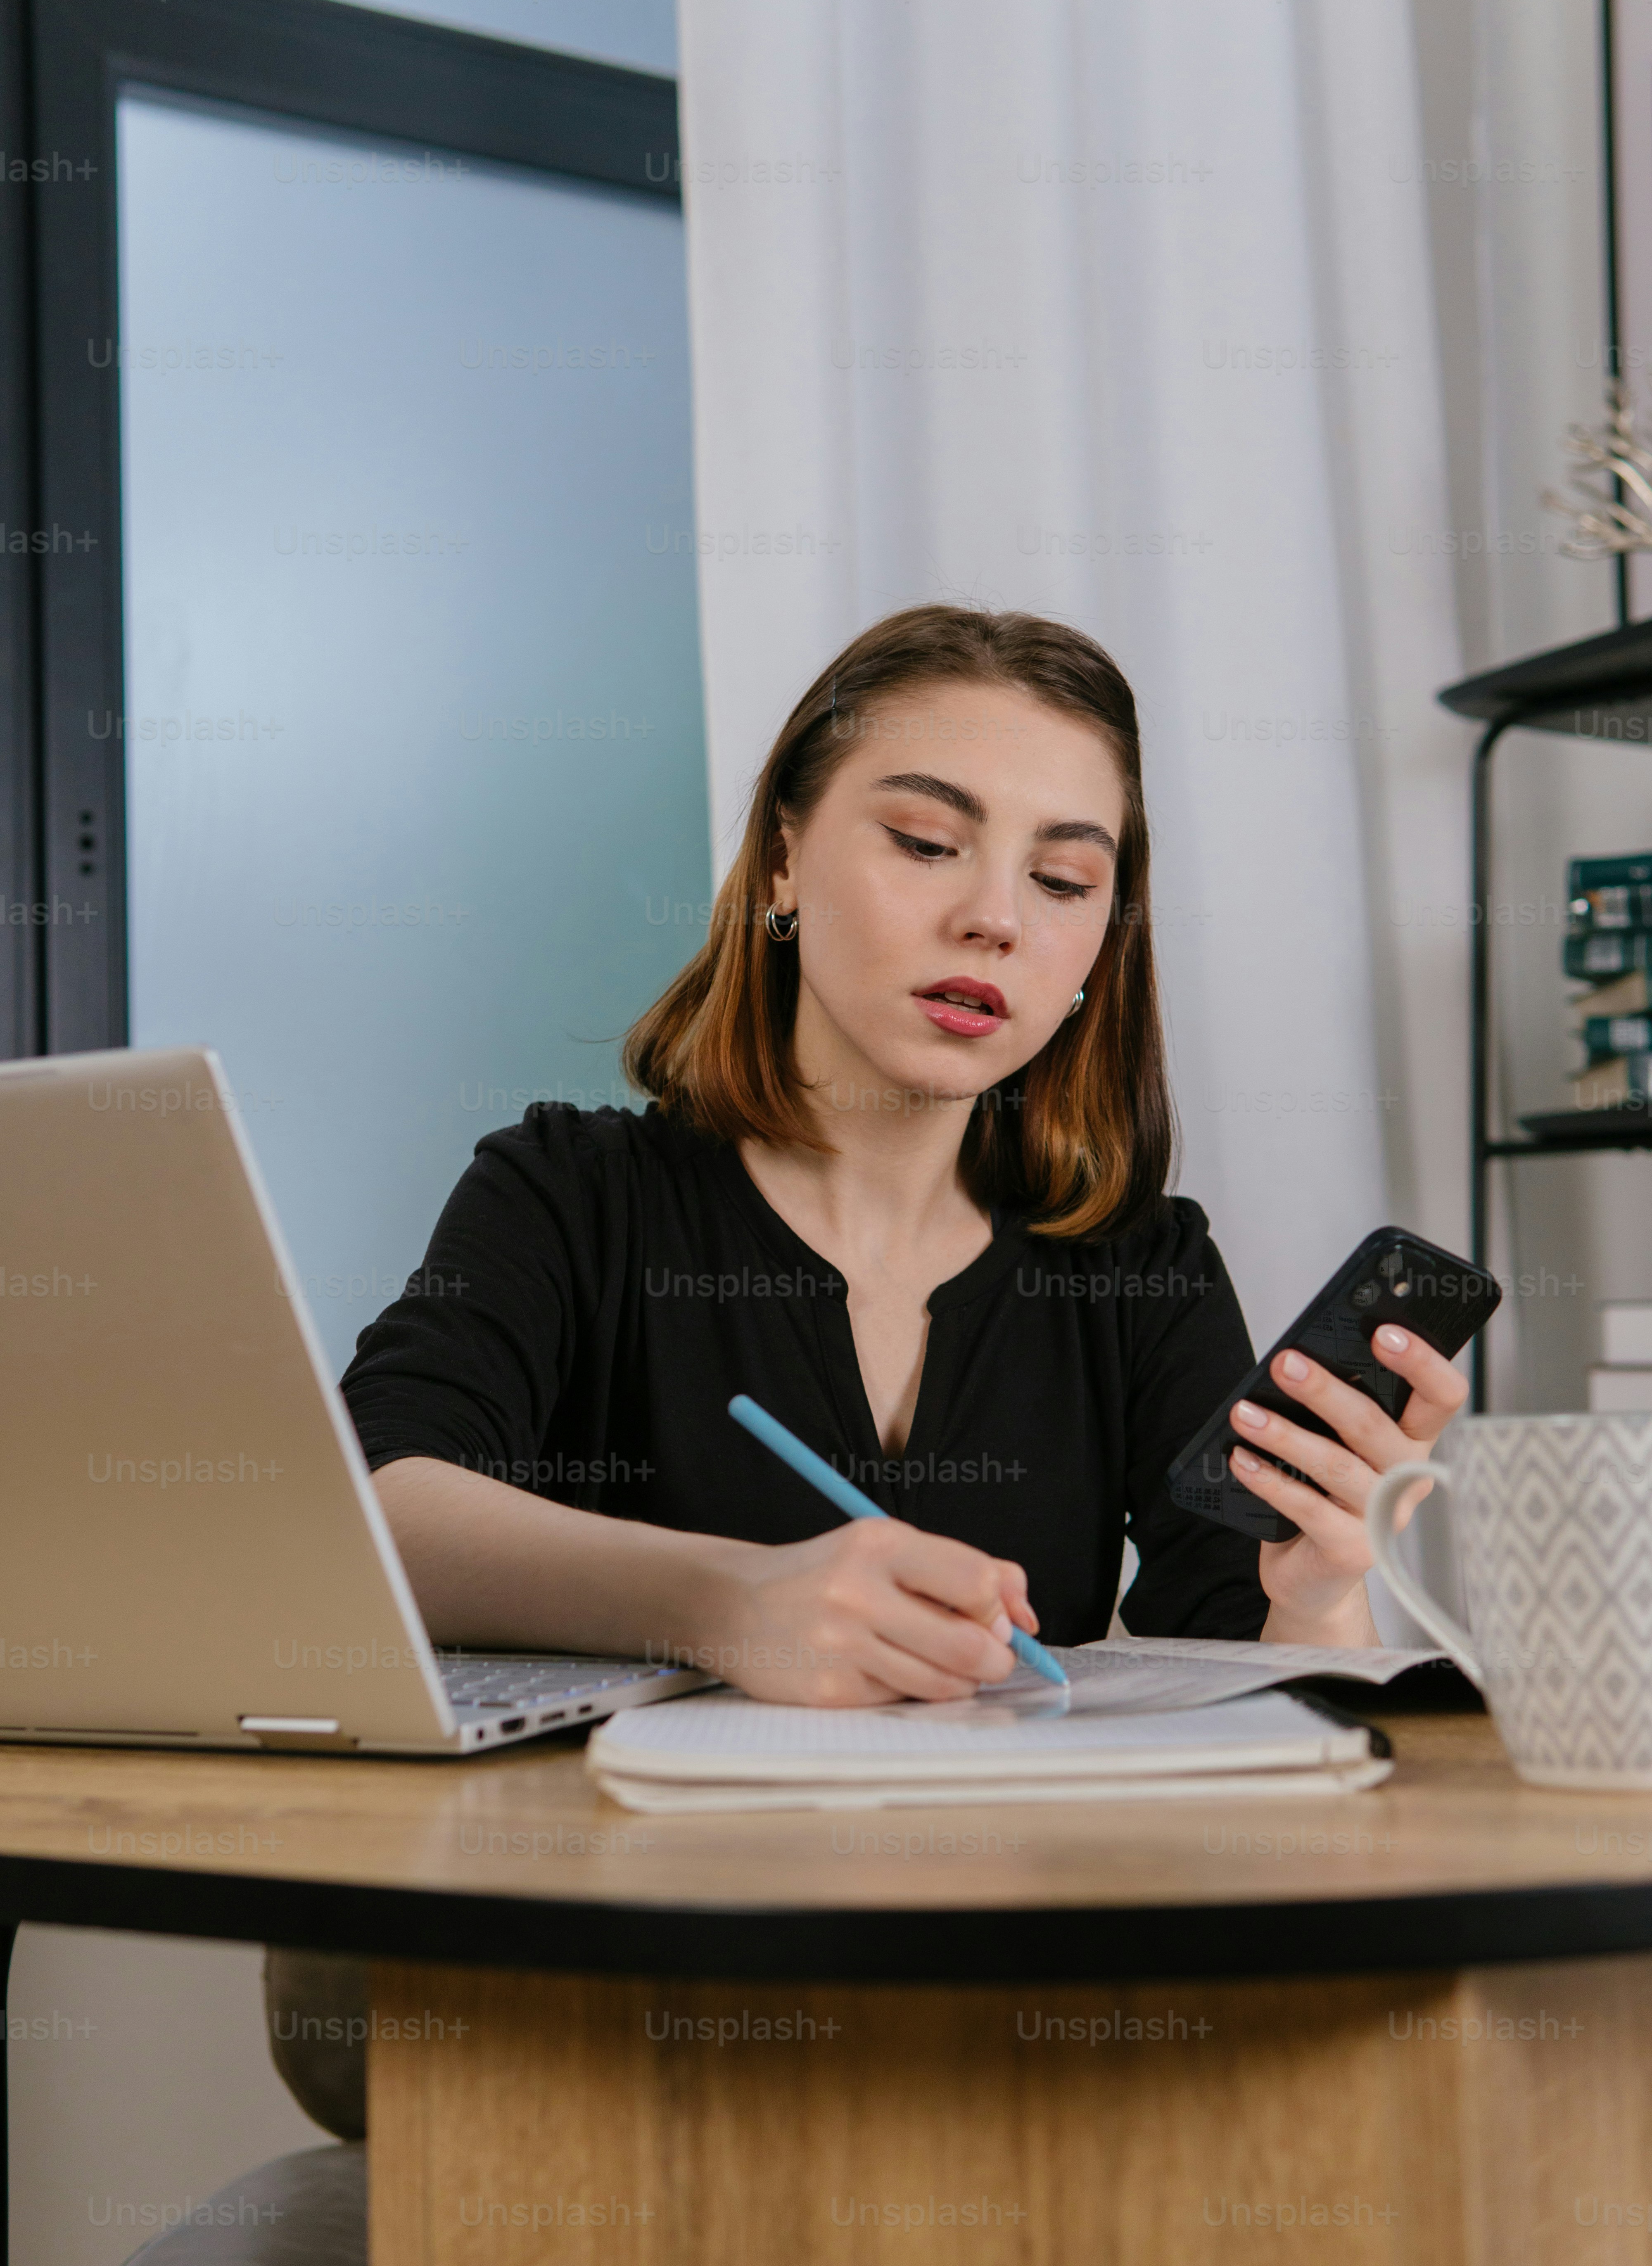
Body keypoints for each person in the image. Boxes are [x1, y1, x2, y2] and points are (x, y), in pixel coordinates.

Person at [342, 604, 1465, 1705]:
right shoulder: (569, 1195)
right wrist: (730, 1603)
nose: (996, 919)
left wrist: (1320, 1591)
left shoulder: (1142, 1268)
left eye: (1064, 881)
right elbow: (373, 1511)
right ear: (783, 864)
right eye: (929, 844)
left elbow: (1247, 1667)